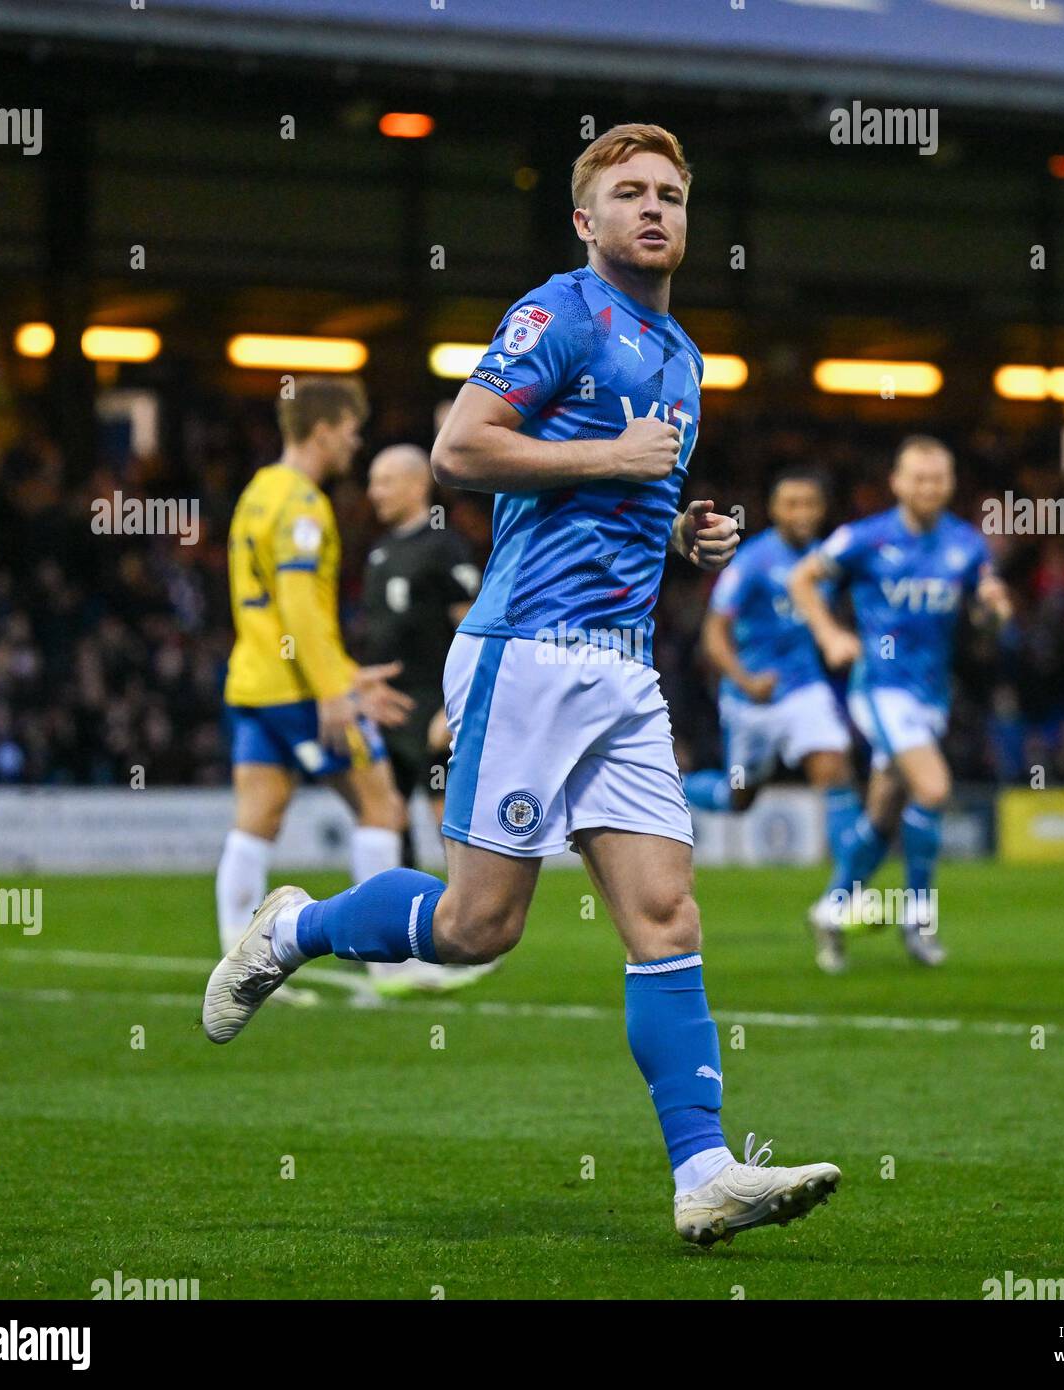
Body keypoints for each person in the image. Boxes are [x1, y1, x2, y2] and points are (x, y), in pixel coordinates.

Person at [203, 124, 841, 1246]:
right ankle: (294, 929)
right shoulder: (558, 314)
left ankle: (702, 1172)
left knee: (665, 914)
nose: (655, 208)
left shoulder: (683, 354)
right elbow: (461, 450)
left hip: (624, 666)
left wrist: (684, 532)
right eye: (629, 193)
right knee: (477, 927)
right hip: (529, 652)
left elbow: (623, 496)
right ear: (586, 221)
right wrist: (611, 459)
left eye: (671, 193)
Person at [214, 376, 413, 998]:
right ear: (323, 431)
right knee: (382, 806)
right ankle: (388, 963)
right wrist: (333, 688)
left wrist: (344, 672)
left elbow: (272, 608)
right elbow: (299, 607)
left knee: (258, 817)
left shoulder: (257, 492)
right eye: (352, 431)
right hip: (299, 688)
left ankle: (238, 971)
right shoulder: (303, 503)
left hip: (254, 682)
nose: (356, 443)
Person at [789, 435, 1012, 973]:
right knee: (933, 788)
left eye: (938, 478)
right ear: (897, 482)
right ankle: (918, 920)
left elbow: (988, 611)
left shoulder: (966, 545)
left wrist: (994, 610)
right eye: (919, 478)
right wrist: (829, 635)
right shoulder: (865, 538)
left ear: (950, 483)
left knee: (885, 810)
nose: (929, 487)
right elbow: (803, 578)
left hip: (931, 694)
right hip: (880, 688)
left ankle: (831, 908)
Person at [358, 442, 493, 997]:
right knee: (386, 821)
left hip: (435, 709)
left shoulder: (443, 546)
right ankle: (396, 939)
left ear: (418, 485)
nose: (373, 492)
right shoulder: (379, 552)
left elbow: (476, 625)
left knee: (449, 823)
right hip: (385, 710)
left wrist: (455, 705)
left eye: (384, 481)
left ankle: (467, 933)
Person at [683, 469, 856, 858]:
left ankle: (848, 883)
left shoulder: (825, 561)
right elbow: (714, 633)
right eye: (791, 504)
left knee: (833, 766)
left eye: (810, 504)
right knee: (738, 798)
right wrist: (745, 680)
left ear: (823, 509)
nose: (802, 513)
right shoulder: (753, 560)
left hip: (804, 687)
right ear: (774, 509)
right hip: (751, 697)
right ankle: (675, 787)